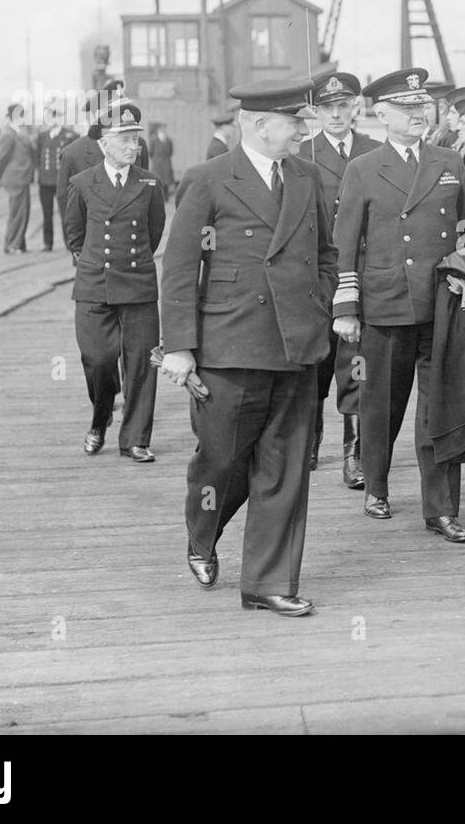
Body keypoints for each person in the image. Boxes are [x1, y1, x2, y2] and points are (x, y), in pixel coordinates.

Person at [160, 78, 335, 617]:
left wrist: (320, 307)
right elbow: (181, 265)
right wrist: (179, 348)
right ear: (261, 125)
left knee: (284, 468)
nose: (303, 133)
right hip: (230, 346)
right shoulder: (209, 179)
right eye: (293, 124)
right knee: (222, 460)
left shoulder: (307, 177)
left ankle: (267, 582)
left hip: (297, 345)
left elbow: (325, 254)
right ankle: (203, 533)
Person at [331, 67, 465, 541]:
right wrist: (347, 309)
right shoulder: (362, 169)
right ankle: (376, 484)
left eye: (423, 107)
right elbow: (345, 242)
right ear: (381, 114)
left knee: (442, 408)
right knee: (382, 403)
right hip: (385, 303)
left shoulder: (449, 161)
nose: (420, 115)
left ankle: (440, 508)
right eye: (408, 109)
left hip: (442, 303)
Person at [62, 100, 165, 462]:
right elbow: (74, 236)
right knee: (98, 358)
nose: (132, 146)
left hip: (137, 283)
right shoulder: (83, 182)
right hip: (94, 284)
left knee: (141, 362)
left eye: (135, 139)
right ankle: (100, 417)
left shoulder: (150, 183)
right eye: (124, 139)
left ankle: (135, 438)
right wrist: (94, 263)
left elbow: (154, 232)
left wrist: (132, 263)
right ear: (104, 143)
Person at [299, 71, 381, 488]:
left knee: (357, 366)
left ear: (355, 109)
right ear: (315, 112)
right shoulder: (302, 154)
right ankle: (310, 441)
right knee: (315, 362)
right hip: (316, 276)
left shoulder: (375, 151)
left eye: (343, 106)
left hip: (361, 275)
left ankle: (355, 451)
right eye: (327, 108)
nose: (336, 114)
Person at [59, 80, 148, 214]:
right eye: (114, 115)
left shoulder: (139, 145)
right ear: (99, 116)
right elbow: (67, 207)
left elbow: (144, 194)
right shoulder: (72, 154)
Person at [36, 106, 77, 252]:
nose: (52, 119)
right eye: (49, 116)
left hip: (62, 181)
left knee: (66, 213)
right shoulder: (42, 136)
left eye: (55, 116)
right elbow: (37, 158)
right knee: (46, 214)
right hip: (45, 182)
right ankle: (48, 243)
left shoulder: (70, 136)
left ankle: (69, 242)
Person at [0, 103, 35, 253]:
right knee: (18, 212)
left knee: (22, 211)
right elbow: (1, 158)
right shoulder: (8, 134)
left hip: (22, 177)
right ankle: (12, 244)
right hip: (15, 178)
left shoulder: (18, 132)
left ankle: (18, 243)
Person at [149, 123, 176, 198]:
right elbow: (150, 152)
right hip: (157, 163)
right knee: (158, 179)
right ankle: (158, 196)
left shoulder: (168, 141)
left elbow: (171, 152)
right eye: (161, 130)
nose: (163, 131)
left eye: (164, 130)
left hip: (166, 162)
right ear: (158, 131)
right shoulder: (154, 140)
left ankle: (166, 196)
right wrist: (156, 159)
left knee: (167, 180)